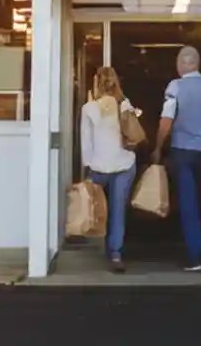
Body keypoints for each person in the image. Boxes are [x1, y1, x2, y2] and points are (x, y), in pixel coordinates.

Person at [152, 45, 201, 272]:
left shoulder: (175, 86)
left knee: (188, 204)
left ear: (182, 64)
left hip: (183, 151)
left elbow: (166, 119)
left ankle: (194, 256)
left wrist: (158, 146)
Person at [79, 66, 138, 273]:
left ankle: (90, 244)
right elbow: (134, 132)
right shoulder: (124, 104)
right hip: (124, 164)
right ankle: (115, 254)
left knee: (92, 207)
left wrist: (87, 169)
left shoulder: (89, 109)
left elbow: (86, 143)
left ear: (96, 83)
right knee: (117, 210)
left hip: (99, 166)